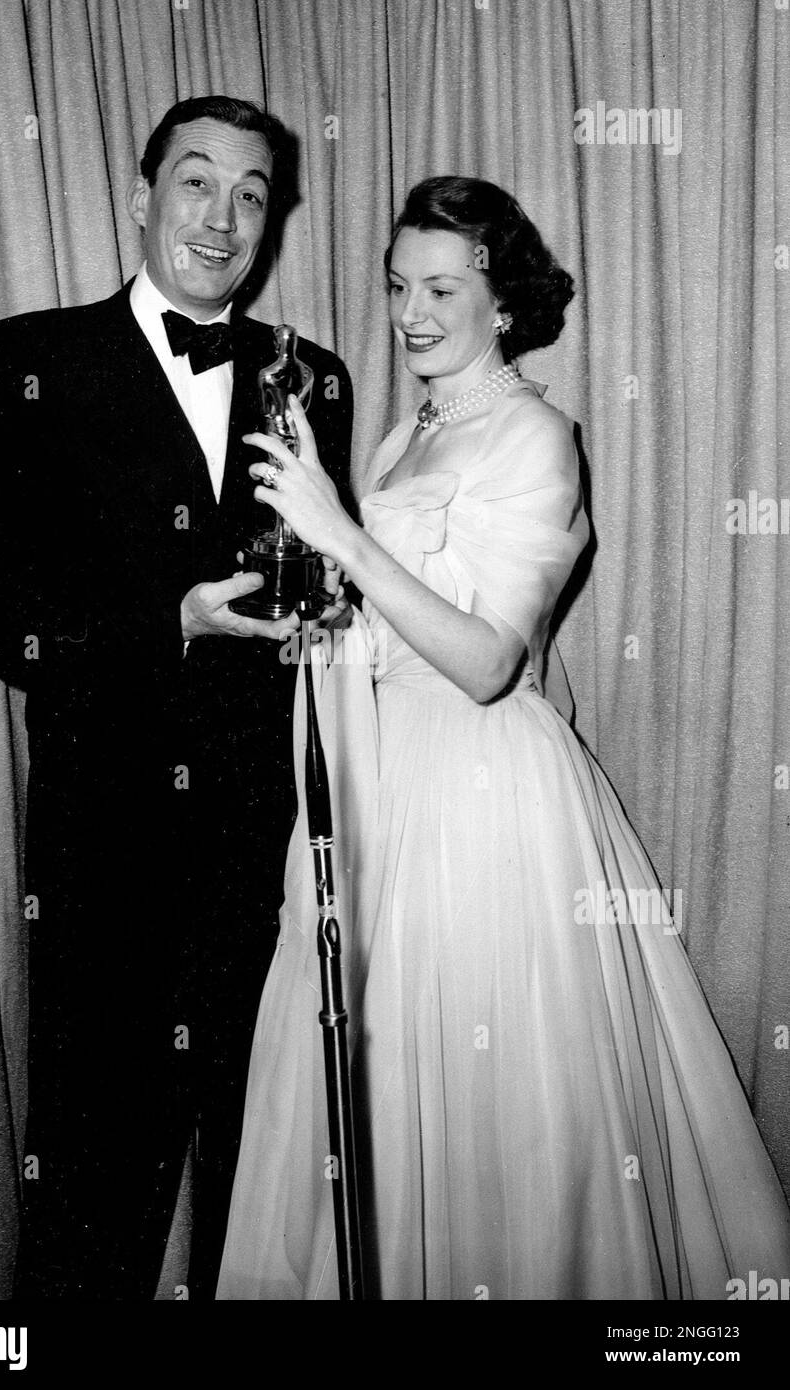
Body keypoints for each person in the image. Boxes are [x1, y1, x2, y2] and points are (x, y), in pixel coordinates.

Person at [215, 176, 790, 1300]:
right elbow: (373, 615)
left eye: (441, 286)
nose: (409, 312)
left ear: (504, 305)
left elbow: (485, 661)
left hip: (477, 797)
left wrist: (338, 526)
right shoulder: (394, 443)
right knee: (363, 1087)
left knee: (495, 1113)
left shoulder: (537, 436)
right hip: (373, 785)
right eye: (396, 285)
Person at [0, 95, 354, 1300]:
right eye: (195, 182)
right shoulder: (20, 361)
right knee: (91, 1181)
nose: (222, 218)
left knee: (264, 1179)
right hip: (101, 843)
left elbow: (335, 579)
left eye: (251, 194)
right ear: (139, 195)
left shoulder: (309, 377)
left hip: (269, 842)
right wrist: (164, 620)